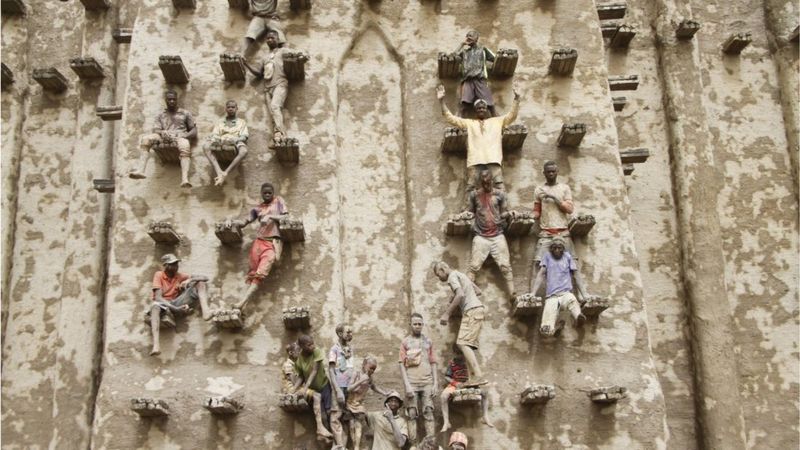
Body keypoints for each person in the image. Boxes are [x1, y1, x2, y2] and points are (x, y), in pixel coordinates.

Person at [436, 84, 520, 194]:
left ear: (486, 110)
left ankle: (504, 209)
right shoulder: (469, 123)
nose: (481, 110)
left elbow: (511, 116)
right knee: (470, 187)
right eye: (479, 108)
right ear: (476, 110)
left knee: (499, 186)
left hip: (493, 158)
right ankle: (467, 210)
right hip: (475, 160)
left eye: (483, 108)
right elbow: (451, 118)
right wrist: (441, 101)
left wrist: (517, 98)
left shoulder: (497, 121)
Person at [223, 182, 288, 313]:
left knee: (261, 273)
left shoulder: (279, 201)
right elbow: (244, 222)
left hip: (272, 243)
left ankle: (242, 303)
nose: (268, 195)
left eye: (270, 192)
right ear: (262, 194)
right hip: (258, 243)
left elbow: (286, 216)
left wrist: (270, 216)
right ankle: (243, 306)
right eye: (265, 193)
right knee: (253, 274)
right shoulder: (258, 209)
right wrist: (231, 220)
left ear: (273, 193)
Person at [146, 253, 213, 356]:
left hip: (176, 302)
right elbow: (158, 297)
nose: (175, 267)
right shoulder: (159, 275)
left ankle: (206, 312)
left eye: (176, 264)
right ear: (166, 266)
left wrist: (190, 280)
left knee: (200, 283)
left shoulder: (180, 276)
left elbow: (205, 278)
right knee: (155, 306)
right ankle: (156, 346)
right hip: (163, 304)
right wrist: (176, 309)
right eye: (172, 264)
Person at [464, 169, 516, 298]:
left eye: (488, 181)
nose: (486, 184)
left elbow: (503, 212)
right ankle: (466, 295)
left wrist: (510, 213)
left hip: (497, 235)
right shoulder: (474, 195)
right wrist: (464, 215)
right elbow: (471, 211)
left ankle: (513, 295)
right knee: (474, 266)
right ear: (480, 182)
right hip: (481, 236)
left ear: (492, 180)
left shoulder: (500, 194)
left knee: (505, 266)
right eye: (483, 182)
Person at [433, 261, 487, 387]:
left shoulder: (451, 277)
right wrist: (456, 295)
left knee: (462, 344)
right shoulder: (461, 275)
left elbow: (460, 295)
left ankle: (478, 376)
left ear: (442, 269)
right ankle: (471, 378)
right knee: (466, 345)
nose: (439, 278)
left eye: (438, 275)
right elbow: (478, 291)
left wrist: (447, 313)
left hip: (472, 310)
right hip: (477, 309)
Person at [130, 90, 197, 187]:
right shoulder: (161, 115)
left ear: (177, 100)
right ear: (166, 100)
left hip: (179, 135)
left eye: (174, 99)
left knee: (185, 145)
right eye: (169, 99)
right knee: (146, 139)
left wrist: (184, 136)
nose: (172, 101)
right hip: (163, 135)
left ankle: (185, 179)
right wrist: (162, 132)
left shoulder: (185, 113)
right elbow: (156, 129)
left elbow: (194, 130)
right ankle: (141, 170)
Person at [529, 160, 577, 293]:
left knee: (572, 264)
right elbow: (537, 211)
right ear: (544, 173)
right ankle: (531, 296)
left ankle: (581, 296)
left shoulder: (564, 188)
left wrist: (554, 198)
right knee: (538, 263)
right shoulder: (539, 190)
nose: (551, 174)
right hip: (546, 232)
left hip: (563, 232)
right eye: (548, 172)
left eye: (553, 171)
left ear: (557, 172)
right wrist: (529, 216)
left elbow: (569, 209)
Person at [530, 237, 592, 336]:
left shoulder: (568, 257)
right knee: (545, 330)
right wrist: (533, 293)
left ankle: (578, 317)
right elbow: (541, 274)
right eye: (554, 248)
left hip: (565, 293)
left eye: (559, 248)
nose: (557, 250)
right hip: (552, 297)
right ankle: (556, 328)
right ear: (551, 248)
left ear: (563, 248)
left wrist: (584, 294)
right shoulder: (547, 257)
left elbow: (576, 275)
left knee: (572, 301)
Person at [243, 30, 298, 141]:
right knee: (273, 113)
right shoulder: (265, 57)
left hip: (280, 84)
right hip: (268, 88)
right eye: (268, 38)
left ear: (278, 40)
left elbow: (296, 54)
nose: (270, 40)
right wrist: (246, 64)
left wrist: (301, 56)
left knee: (275, 106)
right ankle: (277, 135)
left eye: (272, 38)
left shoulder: (283, 51)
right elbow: (259, 73)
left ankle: (282, 135)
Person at [399, 313, 438, 443]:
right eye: (415, 324)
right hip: (412, 383)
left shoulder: (428, 341)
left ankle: (430, 444)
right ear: (411, 325)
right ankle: (413, 445)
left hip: (427, 382)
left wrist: (435, 383)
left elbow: (433, 362)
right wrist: (407, 385)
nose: (417, 326)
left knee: (428, 412)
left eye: (420, 324)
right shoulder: (405, 342)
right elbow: (402, 365)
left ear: (422, 325)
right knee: (411, 414)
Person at [292, 334, 337, 443]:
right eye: (309, 345)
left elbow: (314, 371)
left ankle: (336, 442)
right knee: (322, 417)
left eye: (313, 343)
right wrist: (293, 390)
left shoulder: (316, 352)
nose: (312, 346)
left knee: (330, 413)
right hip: (315, 391)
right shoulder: (299, 359)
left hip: (324, 386)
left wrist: (305, 388)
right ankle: (328, 439)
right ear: (302, 346)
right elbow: (301, 376)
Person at [439, 348, 493, 432]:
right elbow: (447, 376)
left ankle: (485, 416)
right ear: (454, 353)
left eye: (461, 354)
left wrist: (472, 382)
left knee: (485, 392)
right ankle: (446, 422)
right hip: (456, 384)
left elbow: (476, 374)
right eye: (458, 354)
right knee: (443, 396)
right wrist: (455, 383)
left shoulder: (469, 362)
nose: (460, 356)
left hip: (469, 383)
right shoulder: (452, 363)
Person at [346, 356, 390, 450]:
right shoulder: (356, 373)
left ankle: (356, 447)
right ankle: (354, 445)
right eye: (370, 368)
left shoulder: (369, 378)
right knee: (351, 425)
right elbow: (349, 388)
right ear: (364, 365)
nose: (372, 371)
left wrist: (384, 392)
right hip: (350, 402)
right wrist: (361, 380)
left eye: (374, 369)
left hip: (359, 404)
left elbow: (374, 387)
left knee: (358, 424)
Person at [203, 100, 249, 186]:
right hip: (221, 140)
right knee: (205, 146)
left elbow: (244, 136)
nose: (230, 109)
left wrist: (235, 140)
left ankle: (225, 172)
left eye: (233, 107)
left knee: (244, 151)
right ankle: (218, 171)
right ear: (226, 109)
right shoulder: (220, 121)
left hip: (236, 141)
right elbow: (215, 134)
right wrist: (217, 140)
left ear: (236, 109)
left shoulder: (241, 122)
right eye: (228, 107)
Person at [454, 30, 496, 117]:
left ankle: (498, 121)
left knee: (490, 104)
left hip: (480, 79)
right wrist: (462, 44)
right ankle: (461, 124)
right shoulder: (464, 52)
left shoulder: (483, 50)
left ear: (476, 38)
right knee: (464, 104)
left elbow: (495, 58)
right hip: (468, 80)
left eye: (471, 36)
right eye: (467, 36)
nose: (468, 37)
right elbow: (453, 56)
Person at [327, 323, 354, 447]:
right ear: (339, 334)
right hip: (339, 386)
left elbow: (350, 368)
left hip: (349, 388)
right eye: (348, 332)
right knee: (336, 416)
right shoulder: (334, 349)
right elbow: (331, 370)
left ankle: (342, 444)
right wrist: (337, 390)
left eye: (351, 332)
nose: (350, 334)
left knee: (346, 416)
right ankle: (339, 445)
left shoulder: (350, 349)